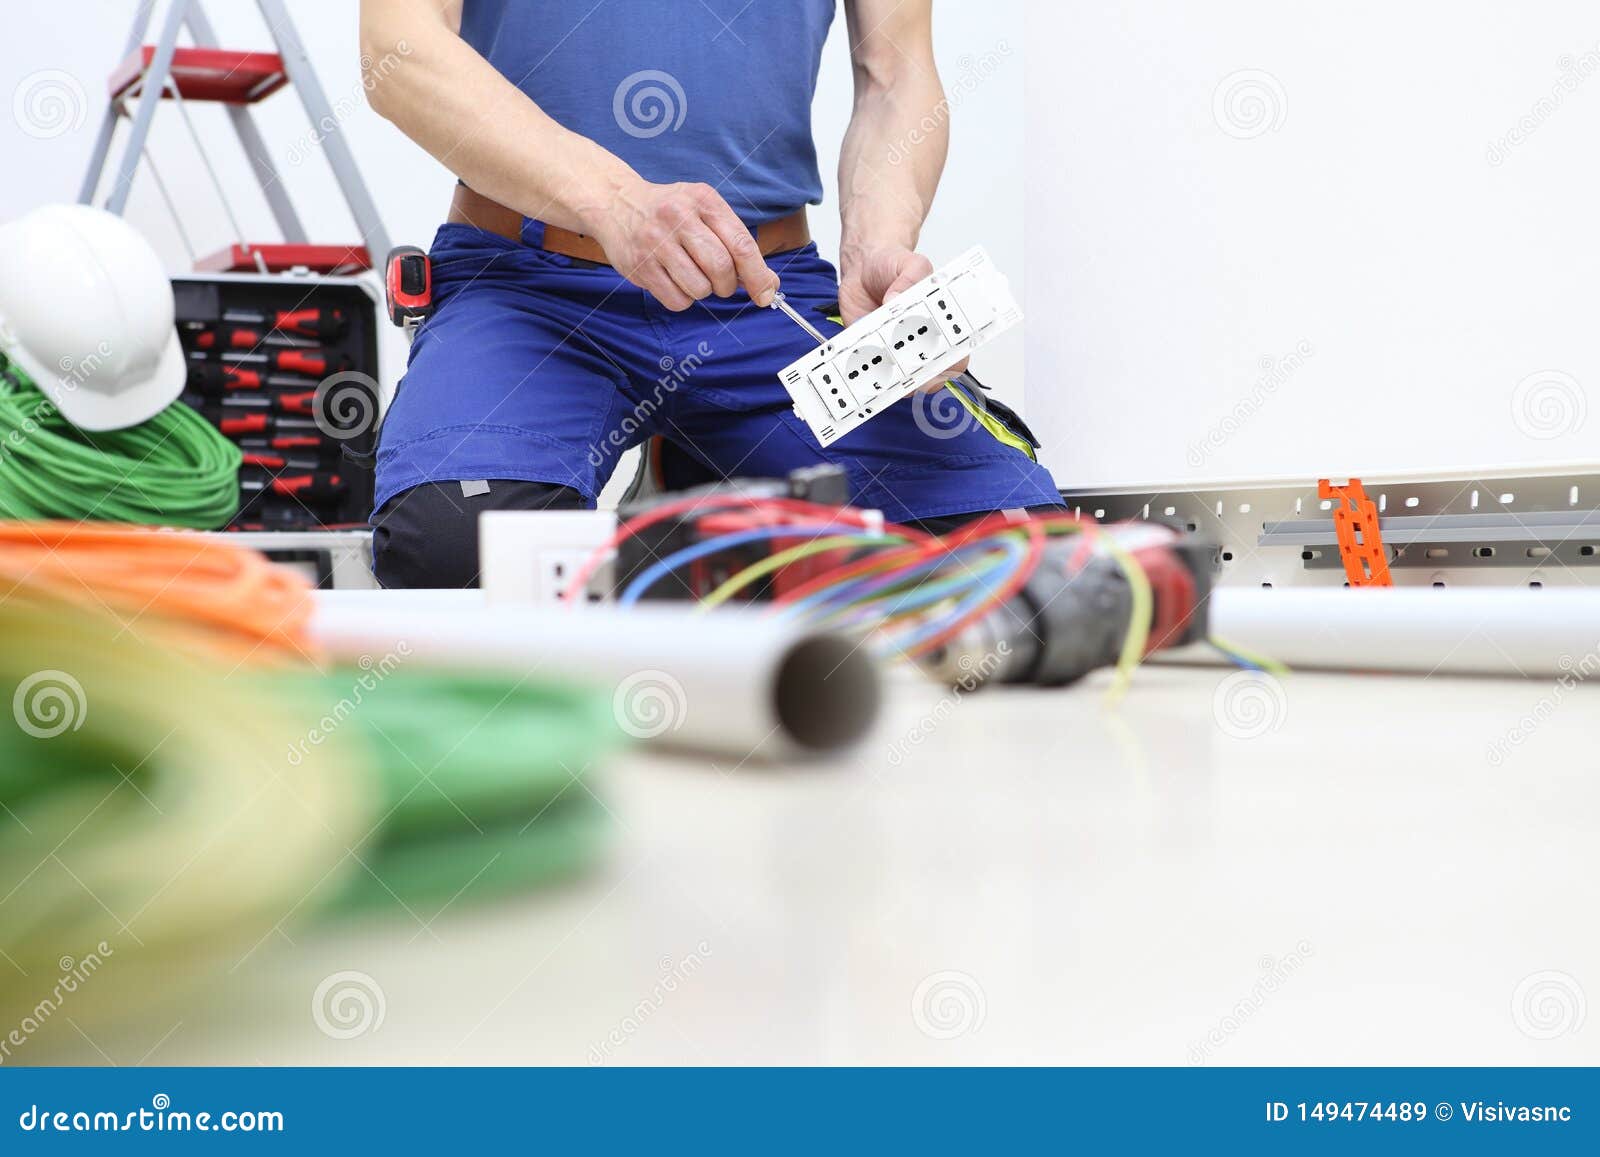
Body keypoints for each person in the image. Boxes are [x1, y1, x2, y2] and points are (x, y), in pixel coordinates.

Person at [360, 0, 1060, 588]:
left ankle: (705, 483)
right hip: (527, 289)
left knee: (1009, 554)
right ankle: (714, 501)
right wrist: (614, 202)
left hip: (763, 294)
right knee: (458, 550)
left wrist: (874, 244)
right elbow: (400, 49)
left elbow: (895, 74)